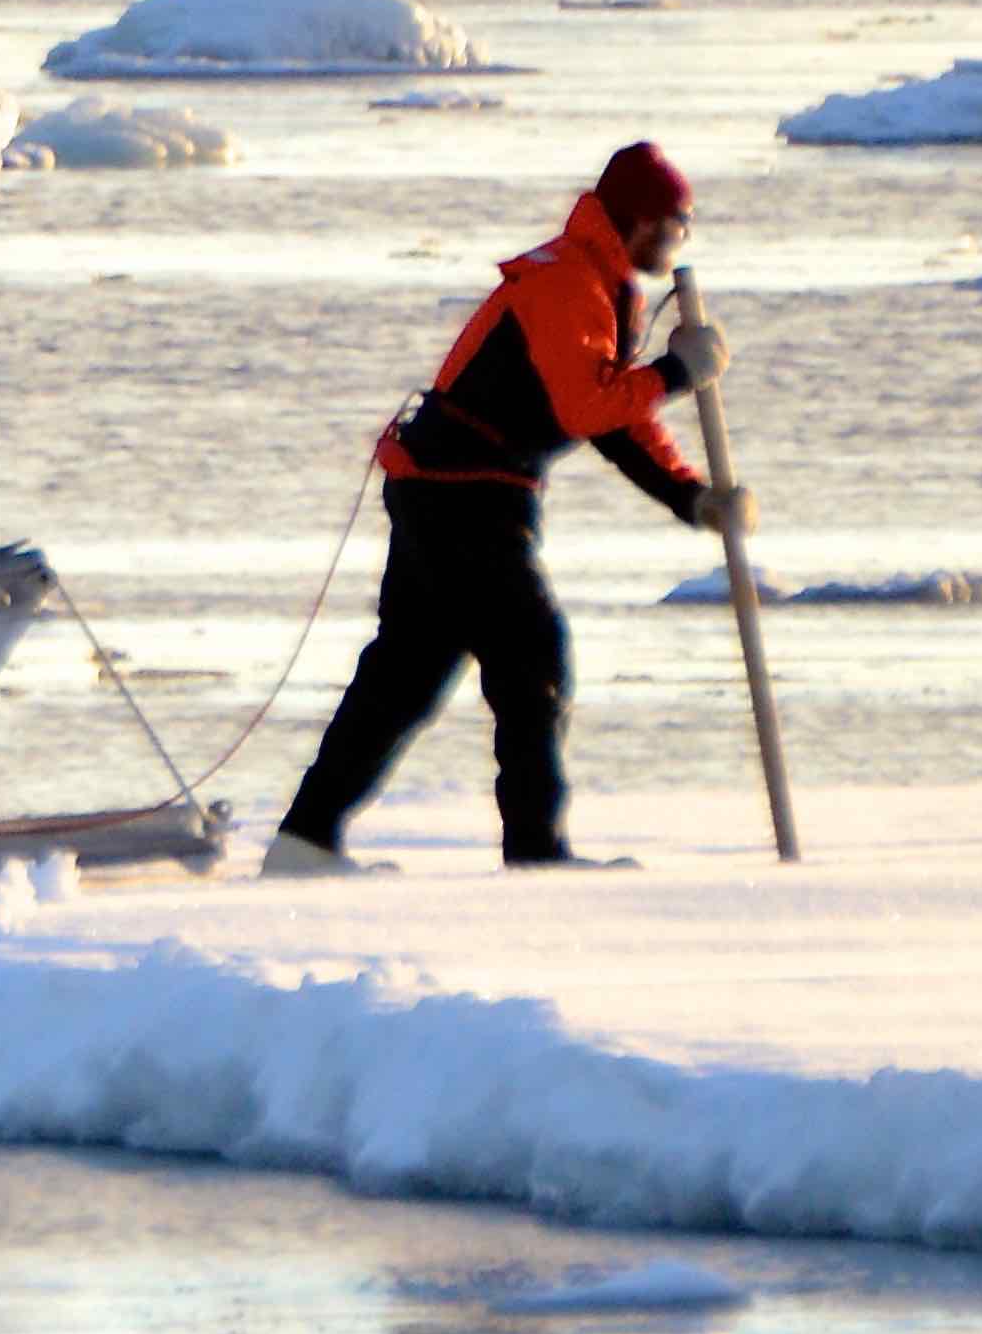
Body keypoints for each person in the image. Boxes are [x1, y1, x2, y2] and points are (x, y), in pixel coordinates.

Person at [270, 141, 742, 873]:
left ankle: (304, 843)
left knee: (407, 677)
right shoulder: (567, 286)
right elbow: (585, 406)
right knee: (530, 658)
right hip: (463, 496)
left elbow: (616, 419)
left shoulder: (600, 284)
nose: (676, 244)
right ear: (640, 222)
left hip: (453, 491)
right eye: (675, 228)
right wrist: (675, 371)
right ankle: (536, 851)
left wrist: (693, 497)